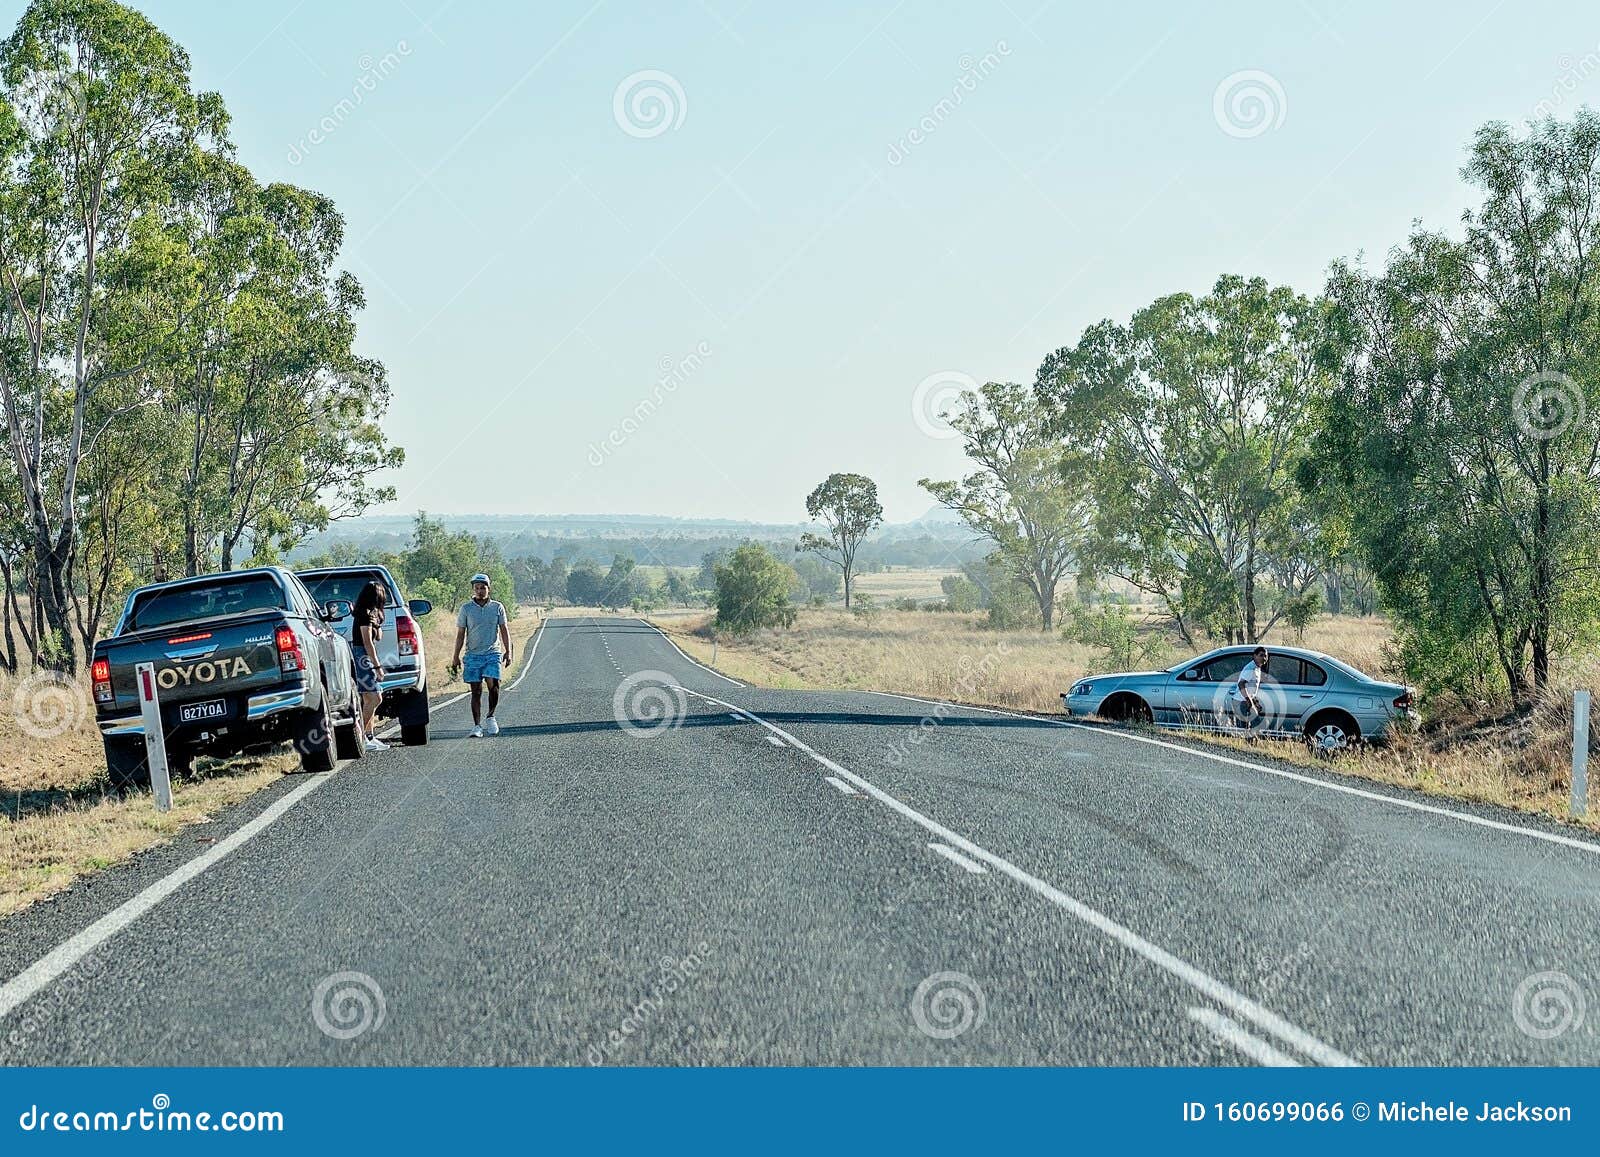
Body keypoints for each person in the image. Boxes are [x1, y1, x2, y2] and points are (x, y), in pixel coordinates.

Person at [450, 573, 512, 738]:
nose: (480, 591)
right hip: (473, 655)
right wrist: (455, 656)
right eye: (477, 588)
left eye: (483, 587)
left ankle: (490, 716)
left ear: (488, 589)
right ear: (473, 590)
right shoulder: (466, 609)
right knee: (476, 690)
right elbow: (461, 634)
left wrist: (509, 651)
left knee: (494, 684)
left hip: (492, 652)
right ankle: (477, 726)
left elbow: (504, 630)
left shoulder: (497, 607)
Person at [351, 580, 391, 751]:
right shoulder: (364, 615)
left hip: (365, 655)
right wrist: (377, 666)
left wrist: (378, 620)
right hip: (363, 656)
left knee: (369, 699)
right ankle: (359, 736)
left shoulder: (372, 615)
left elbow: (379, 637)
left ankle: (369, 736)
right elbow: (368, 643)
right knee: (375, 697)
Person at [1229, 646, 1270, 737]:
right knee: (1256, 723)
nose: (1264, 658)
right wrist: (1248, 700)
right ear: (1254, 656)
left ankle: (1247, 745)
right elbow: (1241, 684)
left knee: (1246, 727)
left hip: (1245, 700)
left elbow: (1251, 687)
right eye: (1261, 655)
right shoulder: (1251, 668)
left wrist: (1254, 701)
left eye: (1265, 656)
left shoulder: (1257, 668)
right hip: (1241, 701)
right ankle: (1251, 745)